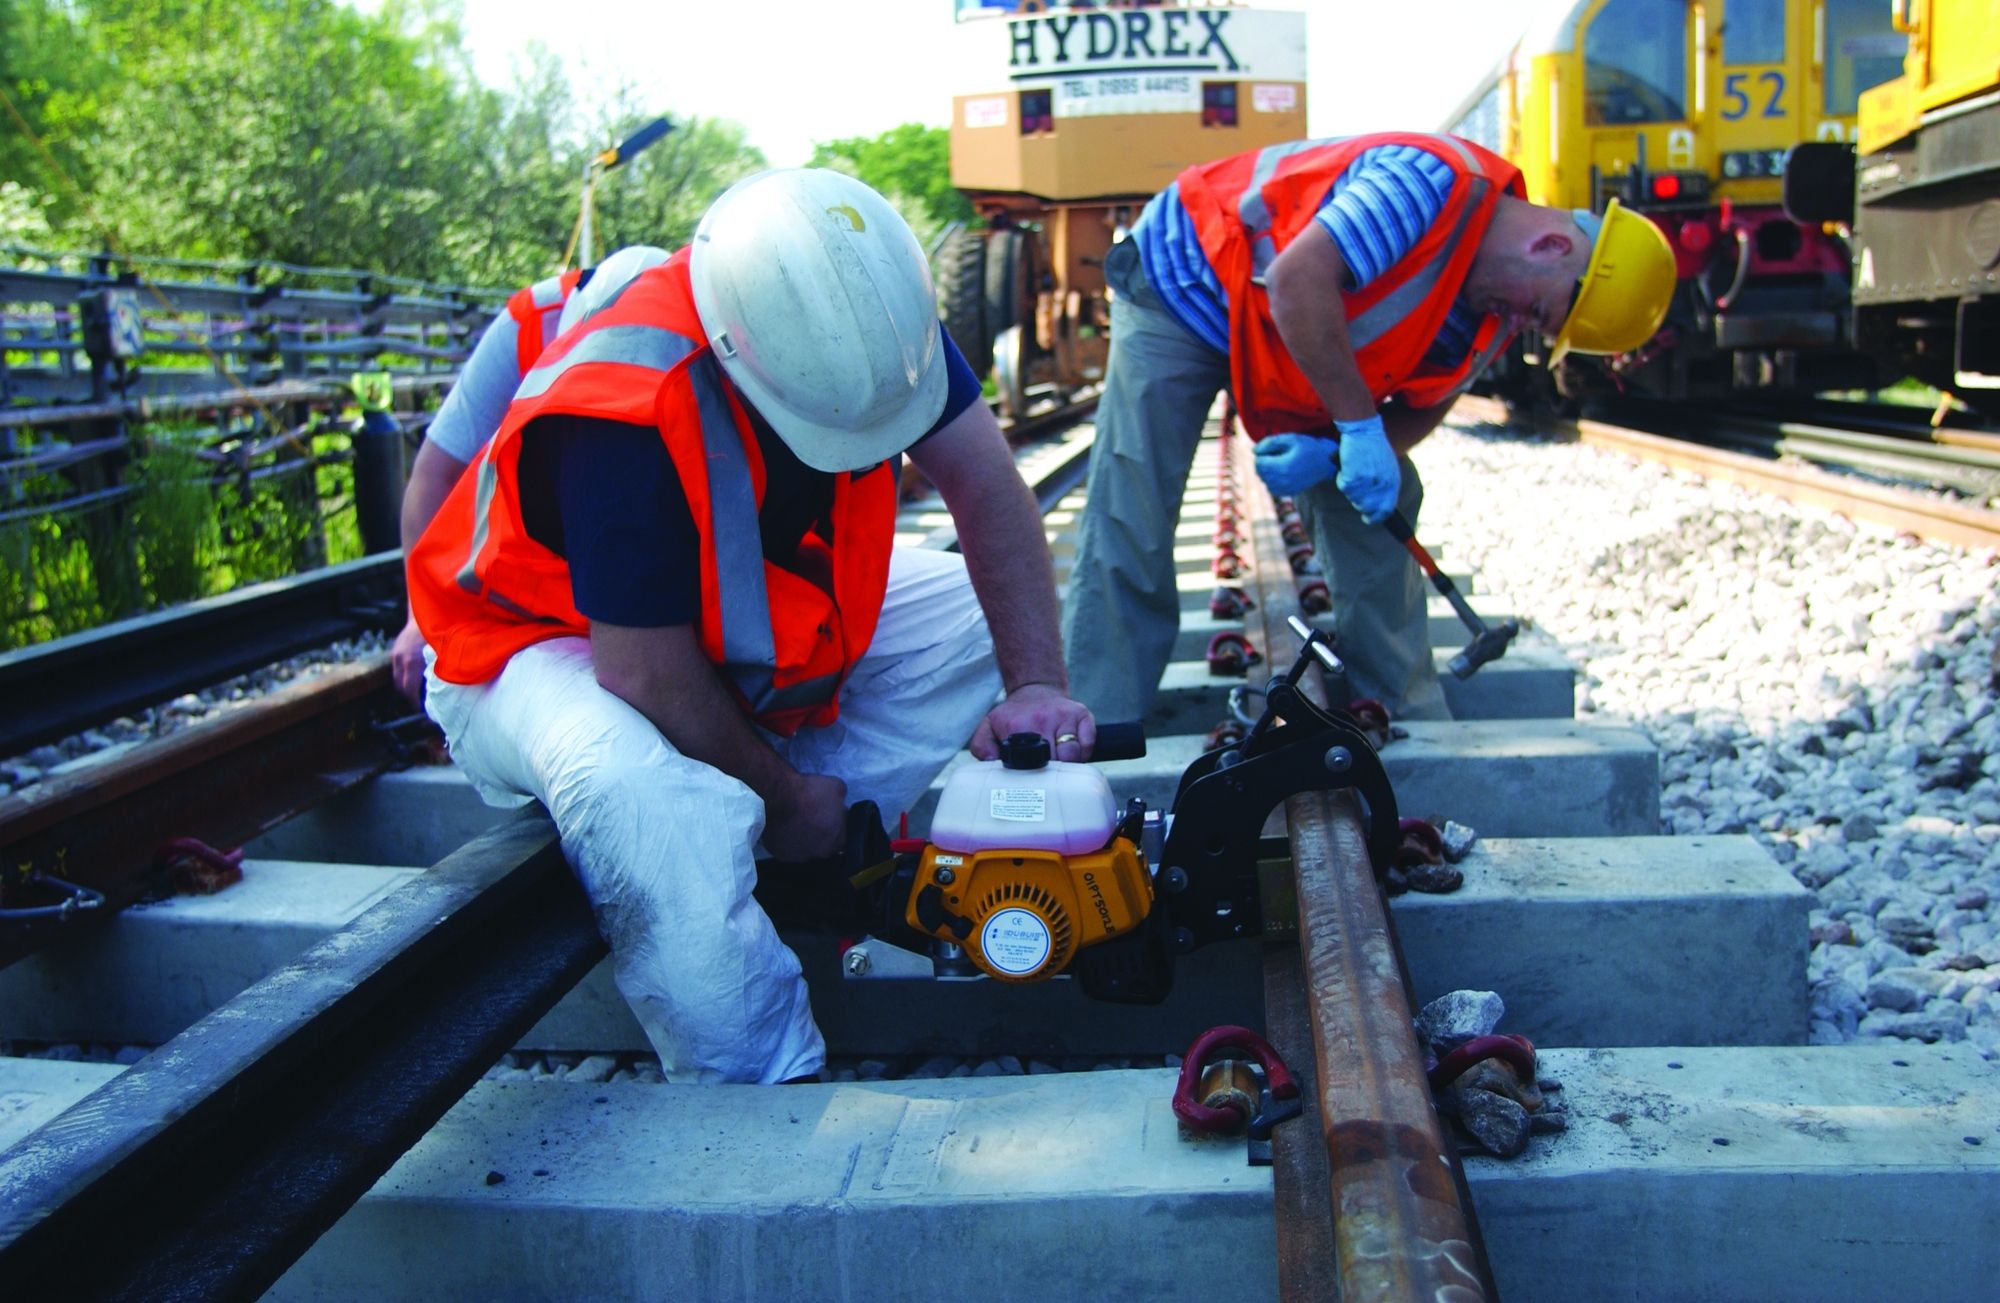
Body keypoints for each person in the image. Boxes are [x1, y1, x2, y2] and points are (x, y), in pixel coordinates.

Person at [407, 170, 1093, 1084]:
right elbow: (642, 669)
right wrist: (778, 791)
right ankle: (756, 1077)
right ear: (739, 350)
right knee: (637, 790)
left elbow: (983, 487)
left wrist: (1035, 684)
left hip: (691, 622)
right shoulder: (623, 396)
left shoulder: (874, 321)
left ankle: (778, 847)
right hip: (527, 640)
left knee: (988, 620)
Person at [1061, 131, 1675, 721]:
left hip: (1286, 333)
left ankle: (1399, 708)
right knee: (1133, 502)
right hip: (1190, 274)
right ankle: (1093, 720)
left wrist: (1338, 454)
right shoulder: (1428, 185)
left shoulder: (1495, 314)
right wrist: (1355, 430)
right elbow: (1296, 279)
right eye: (1540, 311)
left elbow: (1418, 409)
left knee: (1385, 494)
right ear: (1550, 248)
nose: (1525, 324)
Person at [389, 246, 670, 702]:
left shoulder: (694, 333)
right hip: (523, 575)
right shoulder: (528, 325)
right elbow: (433, 475)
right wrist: (418, 618)